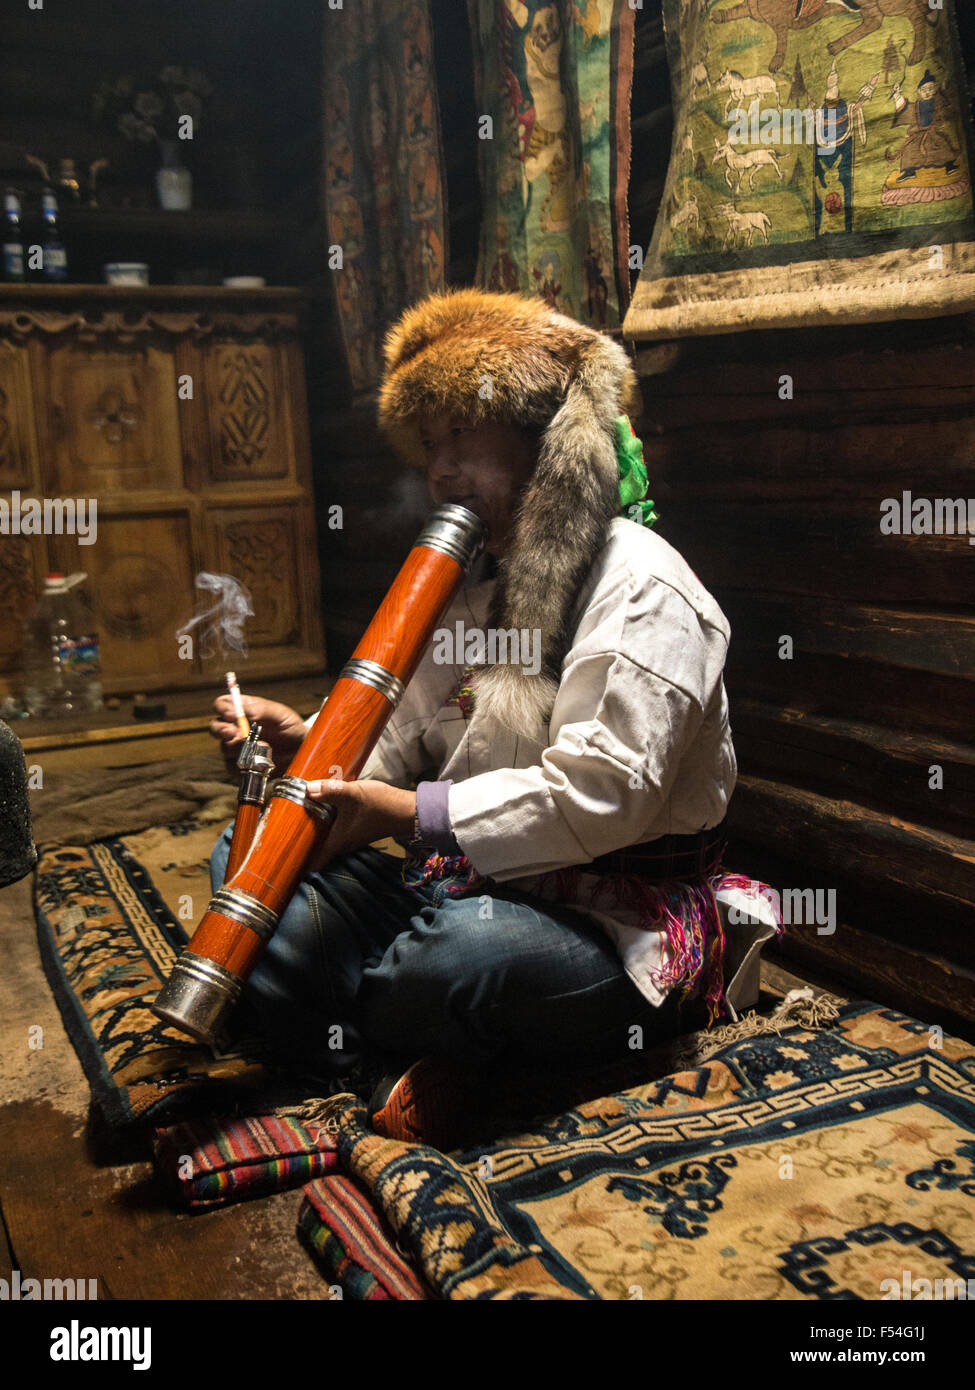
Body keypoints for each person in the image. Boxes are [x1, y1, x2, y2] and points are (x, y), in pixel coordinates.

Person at [209, 288, 779, 1146]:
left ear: (543, 430)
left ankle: (353, 1044)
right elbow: (399, 743)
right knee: (247, 853)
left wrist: (404, 816)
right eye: (429, 444)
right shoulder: (463, 583)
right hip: (464, 882)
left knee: (455, 957)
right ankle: (407, 1061)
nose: (439, 472)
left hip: (611, 918)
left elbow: (601, 796)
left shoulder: (640, 583)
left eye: (462, 435)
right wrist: (314, 752)